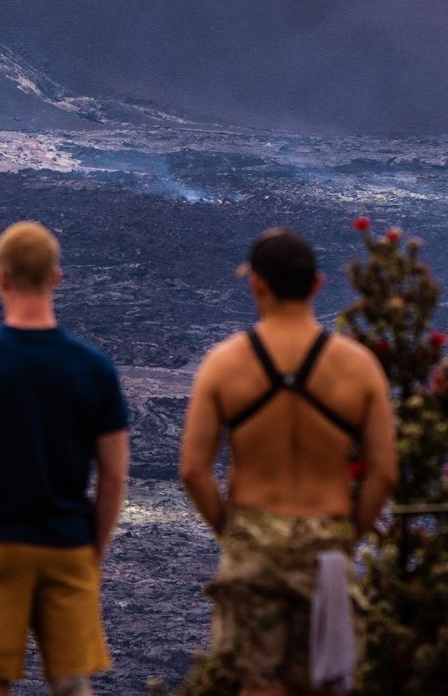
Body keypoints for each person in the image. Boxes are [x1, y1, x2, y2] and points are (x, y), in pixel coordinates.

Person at [179, 229, 397, 696]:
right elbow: (384, 471)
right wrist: (349, 532)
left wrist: (233, 532)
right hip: (327, 547)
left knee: (256, 686)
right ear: (317, 284)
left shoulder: (224, 364)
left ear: (256, 284)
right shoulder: (358, 367)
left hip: (253, 543)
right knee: (325, 681)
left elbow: (194, 470)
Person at [0, 221, 130, 696]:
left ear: (1, 277)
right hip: (66, 544)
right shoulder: (94, 368)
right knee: (71, 682)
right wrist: (93, 547)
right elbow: (115, 474)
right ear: (56, 276)